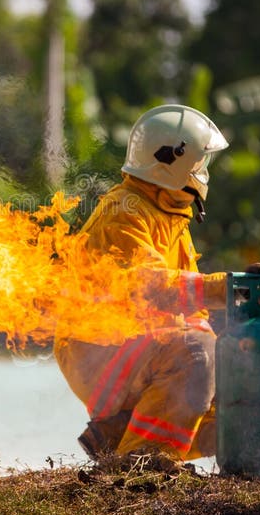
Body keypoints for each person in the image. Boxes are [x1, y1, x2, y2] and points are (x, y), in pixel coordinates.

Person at [54, 103, 231, 465]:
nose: (203, 171)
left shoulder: (170, 214)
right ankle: (140, 466)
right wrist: (226, 288)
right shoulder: (125, 211)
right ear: (172, 161)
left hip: (138, 345)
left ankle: (119, 434)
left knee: (232, 373)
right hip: (97, 349)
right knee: (195, 352)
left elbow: (190, 311)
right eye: (199, 162)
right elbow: (153, 289)